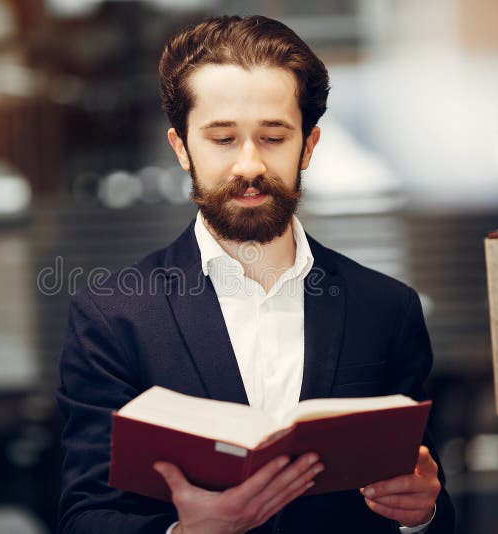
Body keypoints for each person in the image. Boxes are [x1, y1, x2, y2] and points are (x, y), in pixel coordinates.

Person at [57, 15, 455, 534]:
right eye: (222, 138)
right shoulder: (112, 318)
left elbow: (431, 499)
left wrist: (423, 513)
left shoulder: (387, 310)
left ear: (308, 146)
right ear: (181, 148)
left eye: (272, 137)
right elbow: (84, 516)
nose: (249, 164)